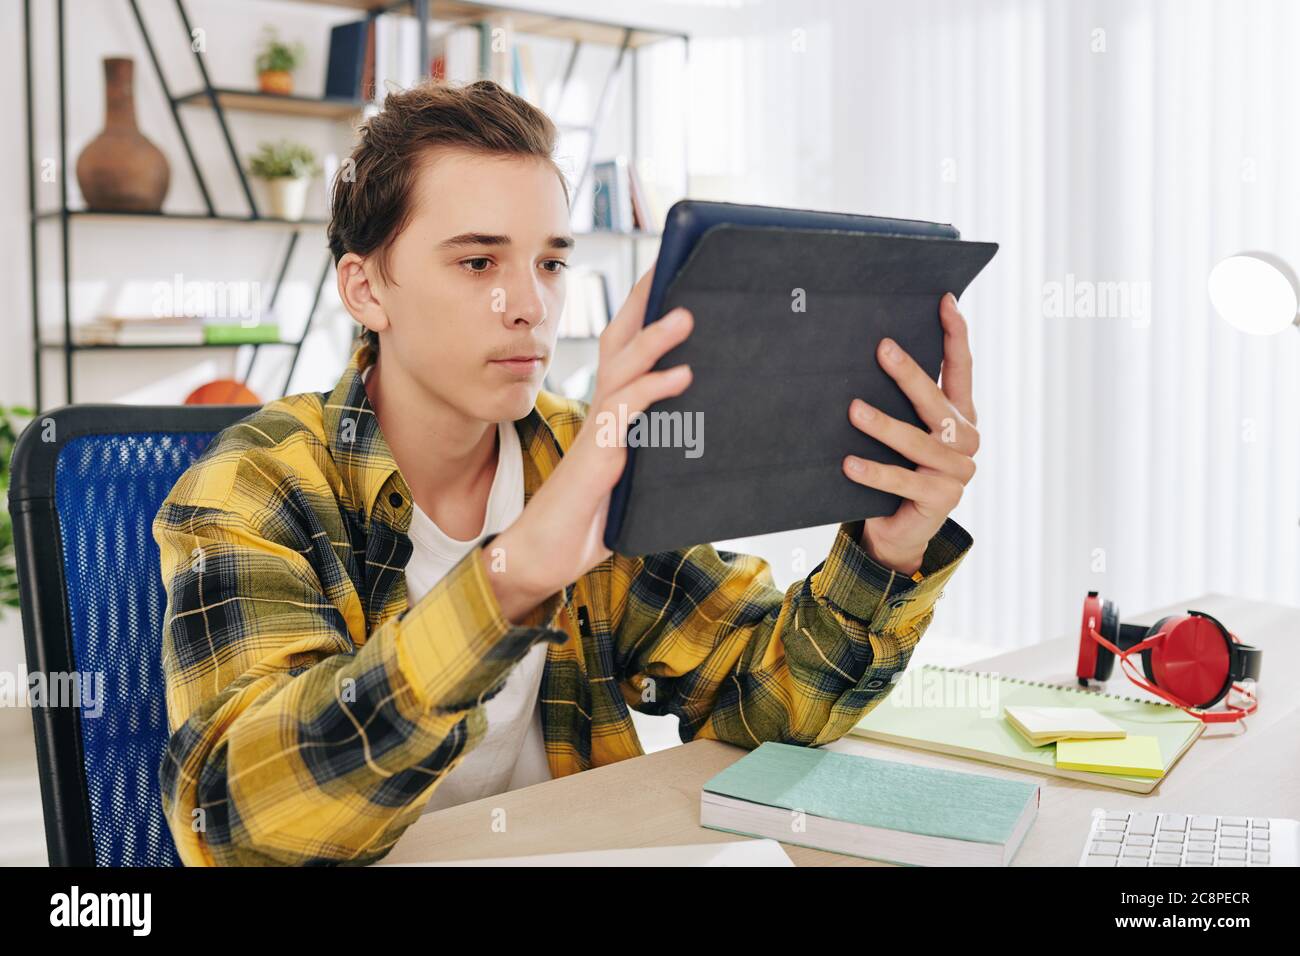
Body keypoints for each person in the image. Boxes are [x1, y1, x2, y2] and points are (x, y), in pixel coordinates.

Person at [153, 79, 978, 866]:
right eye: (479, 263)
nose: (532, 305)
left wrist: (886, 551)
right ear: (366, 290)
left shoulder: (580, 453)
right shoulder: (253, 485)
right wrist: (507, 585)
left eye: (549, 263)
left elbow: (759, 702)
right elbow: (237, 829)